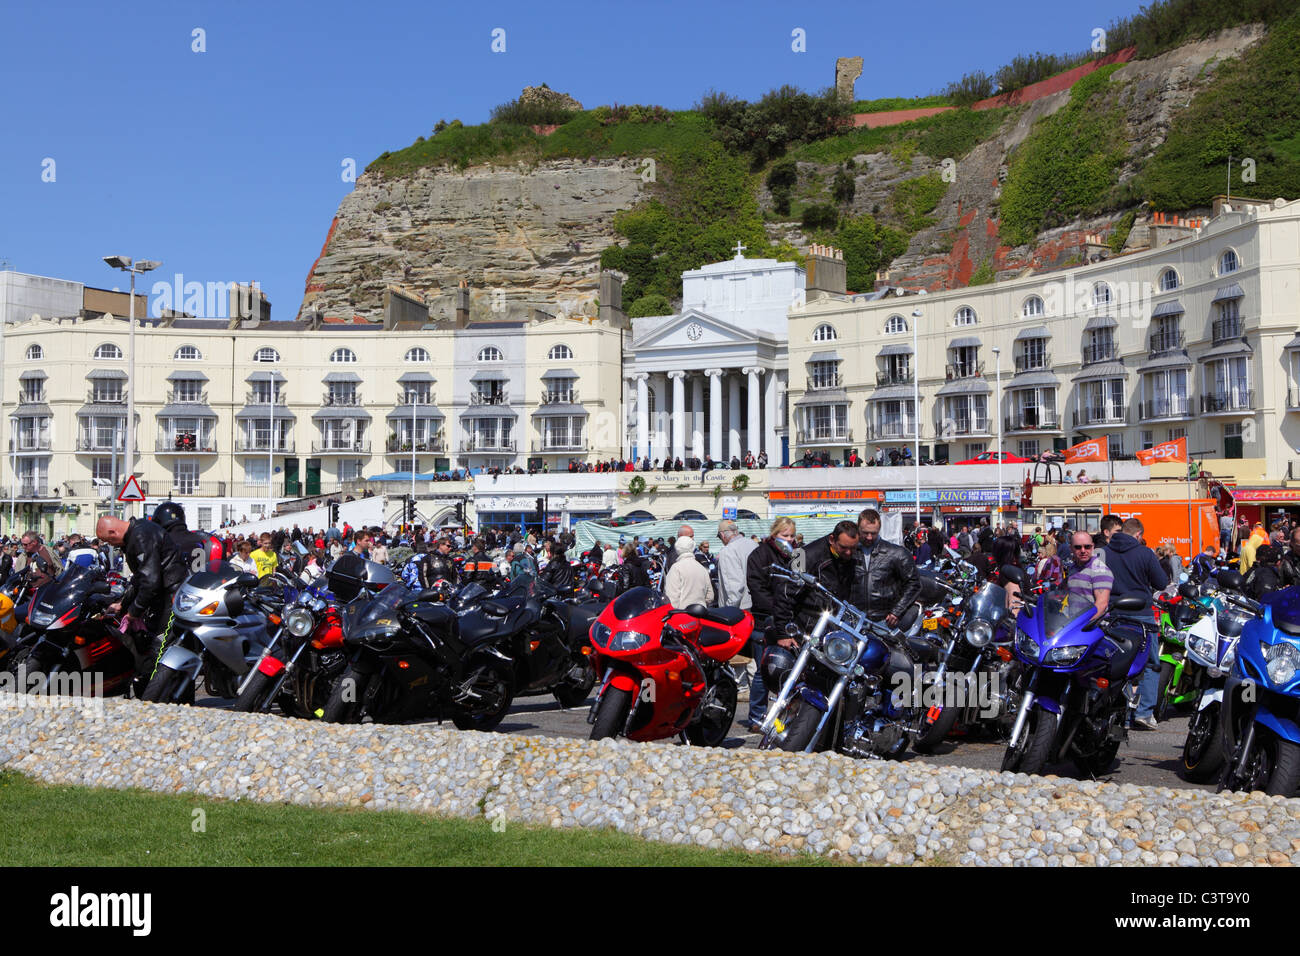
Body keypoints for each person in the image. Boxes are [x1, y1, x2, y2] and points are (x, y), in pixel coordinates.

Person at [96, 514, 188, 689]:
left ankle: (154, 693)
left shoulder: (140, 536)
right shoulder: (137, 532)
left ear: (113, 532)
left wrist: (133, 612)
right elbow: (140, 578)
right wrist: (123, 605)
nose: (111, 545)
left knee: (160, 646)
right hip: (163, 594)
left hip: (172, 595)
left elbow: (150, 581)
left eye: (108, 541)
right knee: (152, 643)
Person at [1105, 518, 1169, 730]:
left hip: (1113, 613)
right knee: (1149, 663)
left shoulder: (1105, 552)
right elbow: (1161, 583)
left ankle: (1112, 709)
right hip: (1141, 614)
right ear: (1139, 535)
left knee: (1113, 662)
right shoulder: (1145, 553)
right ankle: (1144, 713)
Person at [744, 518, 796, 730]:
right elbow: (756, 587)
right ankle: (756, 716)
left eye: (792, 535)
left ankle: (786, 715)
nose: (790, 539)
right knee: (763, 670)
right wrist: (778, 609)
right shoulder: (760, 554)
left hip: (789, 618)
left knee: (790, 668)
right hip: (765, 617)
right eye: (785, 535)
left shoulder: (796, 555)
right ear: (775, 534)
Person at [715, 519, 757, 609]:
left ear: (722, 535)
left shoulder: (728, 551)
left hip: (740, 608)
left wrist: (729, 609)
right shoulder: (753, 544)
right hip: (756, 602)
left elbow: (734, 586)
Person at [664, 536, 713, 609]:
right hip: (702, 614)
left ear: (677, 549)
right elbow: (710, 596)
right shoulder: (702, 568)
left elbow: (671, 599)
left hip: (683, 615)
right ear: (692, 548)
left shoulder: (676, 568)